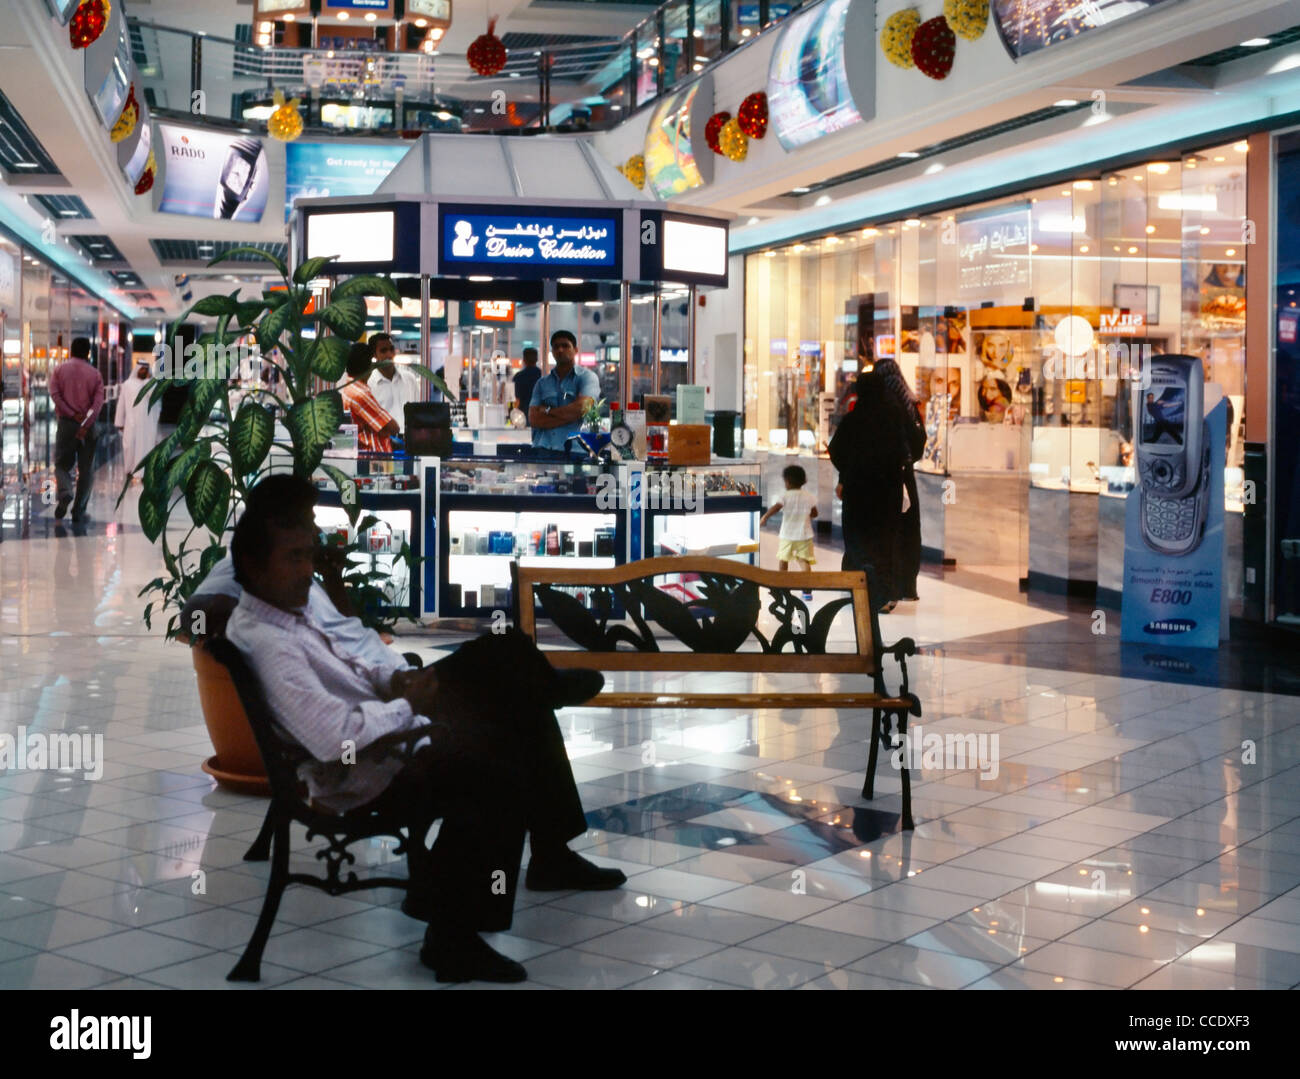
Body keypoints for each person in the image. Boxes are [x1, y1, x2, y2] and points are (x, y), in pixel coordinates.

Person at [224, 475, 626, 984]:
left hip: (394, 711)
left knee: (504, 656)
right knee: (505, 727)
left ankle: (534, 859)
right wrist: (404, 707)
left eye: (309, 551)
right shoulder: (268, 641)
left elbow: (354, 648)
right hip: (368, 761)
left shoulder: (295, 601)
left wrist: (395, 679)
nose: (308, 568)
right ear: (256, 565)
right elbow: (336, 740)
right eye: (295, 556)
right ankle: (457, 931)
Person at [829, 367, 911, 613]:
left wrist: (848, 472)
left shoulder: (854, 420)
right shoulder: (894, 419)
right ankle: (885, 595)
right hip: (887, 491)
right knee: (884, 542)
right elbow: (909, 451)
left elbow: (836, 450)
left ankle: (859, 593)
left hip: (858, 492)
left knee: (857, 542)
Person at [874, 355, 925, 602]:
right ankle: (909, 587)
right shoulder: (909, 401)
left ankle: (891, 587)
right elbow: (920, 440)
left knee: (890, 531)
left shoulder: (884, 402)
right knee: (909, 531)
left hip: (888, 475)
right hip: (907, 474)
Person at [50, 337, 104, 522]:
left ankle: (65, 492)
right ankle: (78, 511)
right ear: (88, 353)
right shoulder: (95, 374)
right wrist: (86, 423)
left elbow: (55, 395)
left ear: (71, 350)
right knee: (86, 470)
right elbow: (97, 404)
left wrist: (72, 415)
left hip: (66, 424)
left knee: (61, 464)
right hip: (88, 428)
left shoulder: (59, 370)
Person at [529, 330, 599, 451]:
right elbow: (534, 419)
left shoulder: (587, 378)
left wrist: (547, 410)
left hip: (575, 451)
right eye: (556, 347)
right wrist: (572, 413)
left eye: (565, 346)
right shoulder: (542, 383)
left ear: (575, 350)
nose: (560, 350)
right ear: (552, 352)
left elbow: (584, 408)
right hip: (543, 450)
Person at [760, 464, 818, 577]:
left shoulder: (785, 496)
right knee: (804, 560)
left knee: (783, 559)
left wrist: (764, 517)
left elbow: (776, 508)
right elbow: (815, 513)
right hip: (805, 535)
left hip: (787, 535)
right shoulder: (809, 496)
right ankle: (807, 589)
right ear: (804, 480)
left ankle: (783, 584)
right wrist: (804, 513)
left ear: (787, 481)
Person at [340, 343, 398, 453]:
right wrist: (383, 430)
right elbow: (393, 427)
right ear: (369, 366)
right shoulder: (360, 394)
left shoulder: (349, 388)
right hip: (375, 460)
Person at [114, 363, 161, 479]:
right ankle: (130, 469)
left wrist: (149, 381)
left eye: (146, 369)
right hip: (131, 423)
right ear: (137, 370)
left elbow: (155, 400)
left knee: (145, 447)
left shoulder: (152, 384)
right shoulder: (128, 384)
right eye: (142, 369)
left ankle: (144, 472)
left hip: (147, 425)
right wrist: (119, 422)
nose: (144, 371)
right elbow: (121, 404)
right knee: (129, 446)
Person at [367, 333, 421, 432]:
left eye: (391, 349)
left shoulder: (409, 379)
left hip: (409, 439)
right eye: (383, 351)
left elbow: (418, 411)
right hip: (383, 442)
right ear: (374, 355)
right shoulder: (369, 384)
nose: (389, 354)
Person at [513, 347, 542, 422]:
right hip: (540, 416)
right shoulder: (543, 376)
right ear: (536, 359)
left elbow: (516, 400)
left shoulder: (518, 377)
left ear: (524, 360)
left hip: (522, 417)